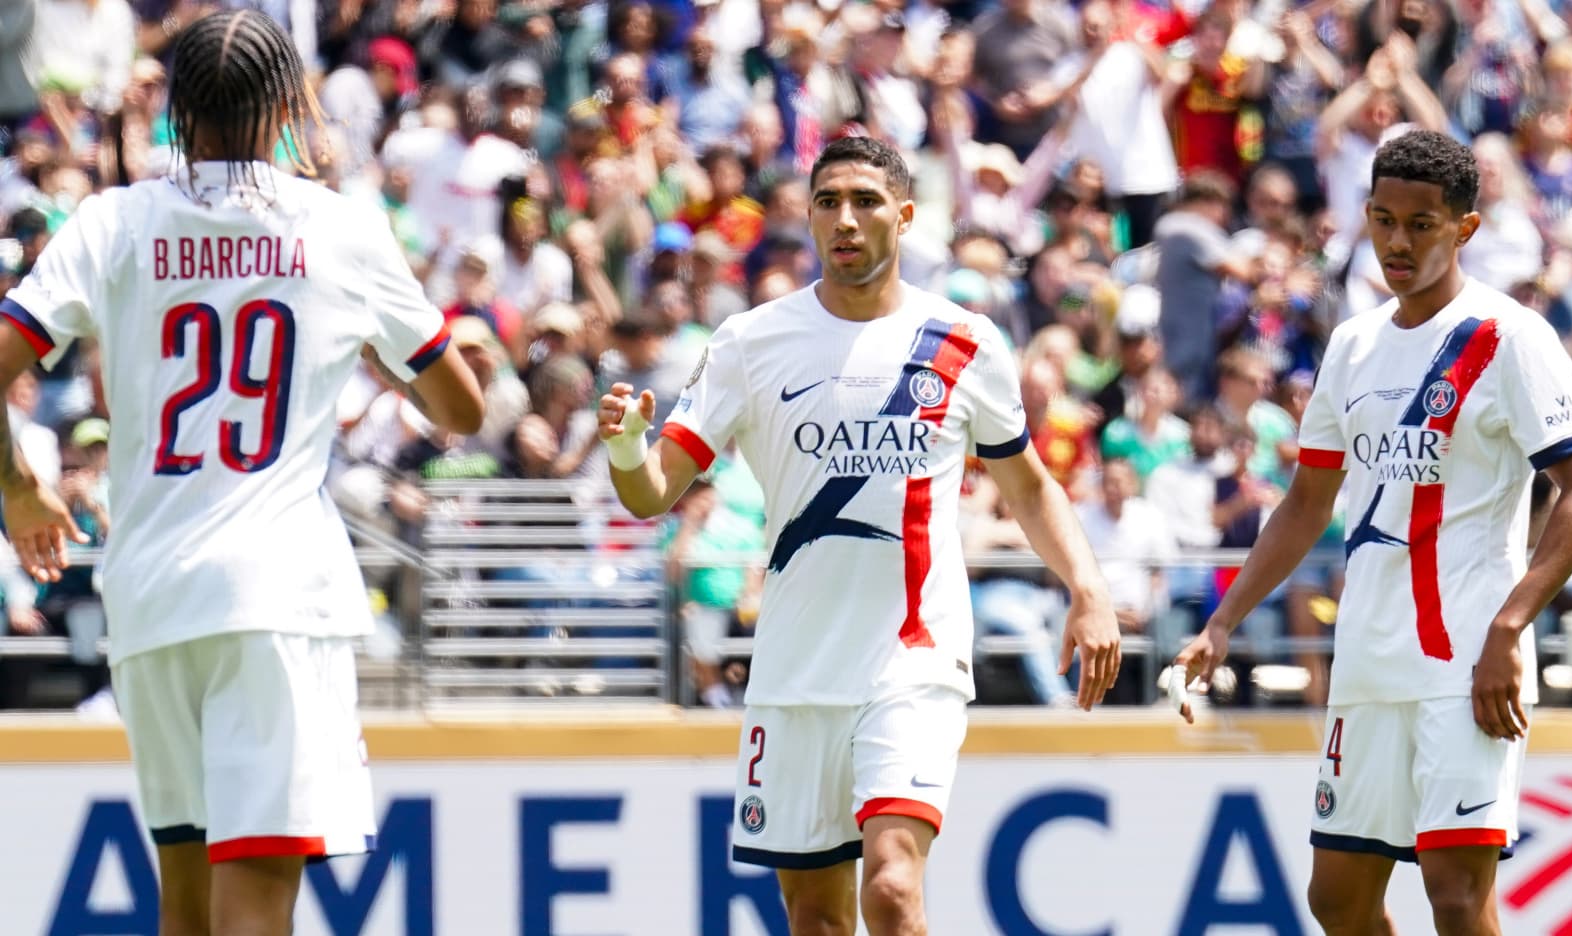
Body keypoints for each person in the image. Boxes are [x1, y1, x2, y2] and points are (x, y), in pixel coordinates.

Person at [0, 12, 484, 935]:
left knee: (184, 909)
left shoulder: (114, 220)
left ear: (177, 110)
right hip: (274, 598)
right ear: (289, 108)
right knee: (256, 906)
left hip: (149, 597)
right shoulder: (339, 229)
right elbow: (457, 412)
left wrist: (20, 487)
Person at [599, 136, 1120, 935]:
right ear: (808, 218)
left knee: (892, 887)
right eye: (829, 202)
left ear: (905, 216)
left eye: (867, 201)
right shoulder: (750, 342)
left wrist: (1088, 590)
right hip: (794, 667)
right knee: (815, 916)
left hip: (912, 658)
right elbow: (651, 493)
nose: (846, 219)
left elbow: (1027, 485)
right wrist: (628, 445)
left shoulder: (963, 341)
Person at [1173, 130, 1572, 936]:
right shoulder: (1352, 344)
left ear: (1465, 229)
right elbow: (1306, 503)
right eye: (1382, 220)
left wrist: (1511, 626)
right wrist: (1223, 621)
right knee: (1336, 898)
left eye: (1421, 224)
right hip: (1368, 664)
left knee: (1454, 893)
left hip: (1468, 660)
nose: (1397, 242)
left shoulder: (1509, 337)